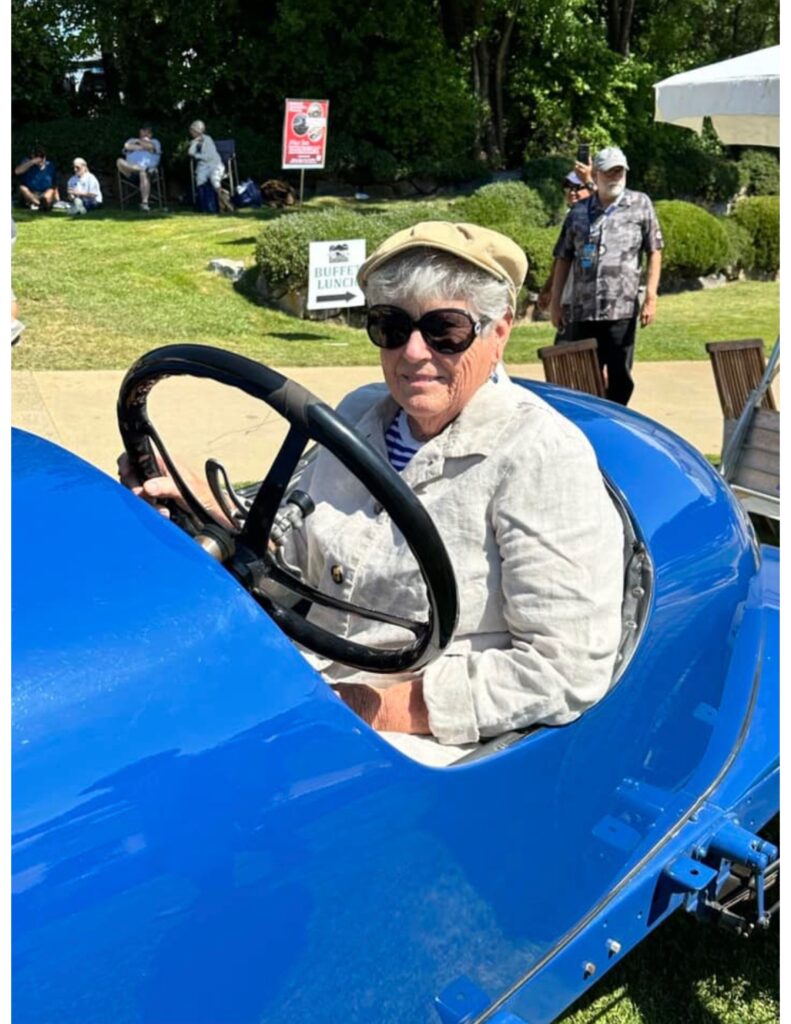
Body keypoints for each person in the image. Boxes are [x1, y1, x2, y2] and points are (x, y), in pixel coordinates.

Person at [119, 221, 625, 767]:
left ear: (499, 332)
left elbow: (565, 667)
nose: (412, 352)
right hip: (307, 681)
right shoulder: (360, 415)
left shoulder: (540, 455)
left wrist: (379, 708)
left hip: (427, 745)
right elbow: (292, 563)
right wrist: (205, 507)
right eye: (390, 325)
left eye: (445, 330)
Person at [550, 146, 663, 406]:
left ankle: (615, 419)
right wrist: (556, 303)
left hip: (621, 309)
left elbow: (655, 250)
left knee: (620, 377)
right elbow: (563, 257)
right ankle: (589, 425)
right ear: (596, 174)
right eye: (610, 172)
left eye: (619, 172)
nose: (615, 177)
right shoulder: (579, 212)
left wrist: (651, 296)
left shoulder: (640, 204)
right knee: (582, 376)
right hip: (583, 309)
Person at [536, 170, 593, 341]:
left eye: (578, 187)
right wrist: (549, 289)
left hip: (584, 302)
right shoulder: (573, 215)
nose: (572, 192)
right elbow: (562, 259)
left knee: (570, 354)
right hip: (570, 299)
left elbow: (586, 260)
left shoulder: (593, 216)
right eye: (568, 187)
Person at [188, 120, 233, 213]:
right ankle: (204, 206)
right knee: (200, 179)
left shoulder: (208, 139)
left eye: (192, 131)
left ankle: (226, 204)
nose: (191, 133)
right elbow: (190, 152)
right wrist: (195, 143)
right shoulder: (194, 141)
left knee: (214, 179)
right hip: (203, 166)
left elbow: (209, 156)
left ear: (198, 131)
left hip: (214, 164)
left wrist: (197, 156)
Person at [116, 126, 162, 212]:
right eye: (143, 131)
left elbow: (151, 146)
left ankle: (144, 203)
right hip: (131, 171)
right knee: (119, 161)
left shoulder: (155, 142)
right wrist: (142, 145)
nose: (145, 133)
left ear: (151, 134)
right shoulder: (131, 140)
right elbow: (127, 146)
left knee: (143, 172)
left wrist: (138, 144)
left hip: (149, 172)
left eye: (147, 132)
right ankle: (138, 168)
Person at [14, 146, 60, 211]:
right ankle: (39, 205)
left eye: (42, 156)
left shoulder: (50, 165)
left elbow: (54, 183)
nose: (41, 159)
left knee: (50, 190)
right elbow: (17, 171)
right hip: (31, 192)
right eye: (38, 156)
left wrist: (57, 198)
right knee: (22, 188)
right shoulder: (27, 163)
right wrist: (32, 162)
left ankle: (44, 204)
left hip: (45, 192)